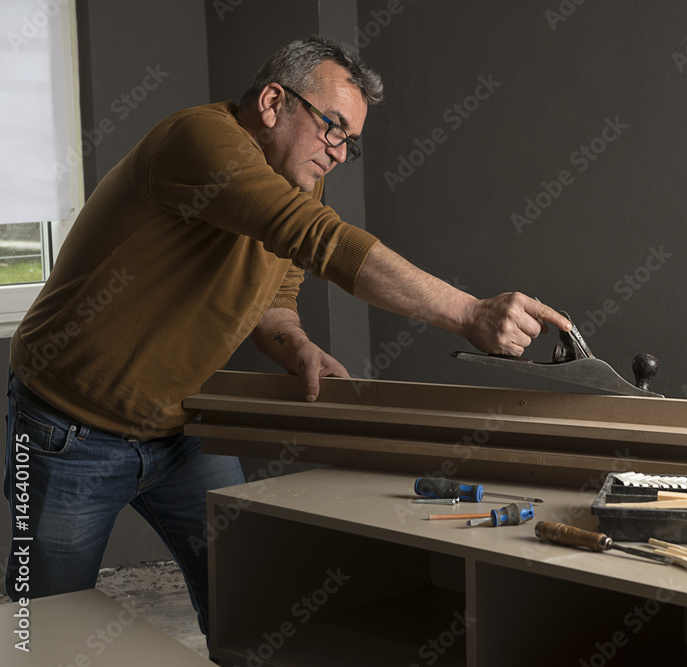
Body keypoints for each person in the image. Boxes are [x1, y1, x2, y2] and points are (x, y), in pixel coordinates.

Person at [2, 35, 569, 635]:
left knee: (250, 609)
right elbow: (316, 239)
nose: (341, 153)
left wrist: (295, 344)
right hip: (66, 428)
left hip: (179, 431)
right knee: (45, 630)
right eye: (333, 129)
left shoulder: (301, 178)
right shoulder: (199, 143)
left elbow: (274, 297)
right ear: (274, 102)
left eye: (351, 141)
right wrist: (471, 313)